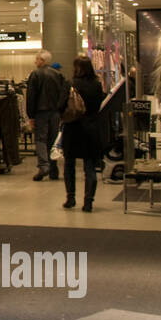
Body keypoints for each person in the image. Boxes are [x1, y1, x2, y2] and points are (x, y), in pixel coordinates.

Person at [60, 55, 106, 212]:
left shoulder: (71, 84)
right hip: (91, 129)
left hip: (73, 128)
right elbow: (100, 104)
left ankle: (70, 198)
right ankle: (88, 201)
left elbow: (61, 105)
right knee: (90, 166)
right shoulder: (97, 85)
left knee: (69, 164)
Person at [26, 49, 67, 181]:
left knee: (40, 139)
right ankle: (53, 169)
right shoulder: (58, 75)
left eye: (37, 59)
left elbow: (31, 96)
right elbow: (63, 95)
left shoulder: (35, 74)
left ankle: (44, 165)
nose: (35, 61)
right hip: (55, 112)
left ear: (42, 60)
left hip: (40, 112)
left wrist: (30, 115)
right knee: (53, 139)